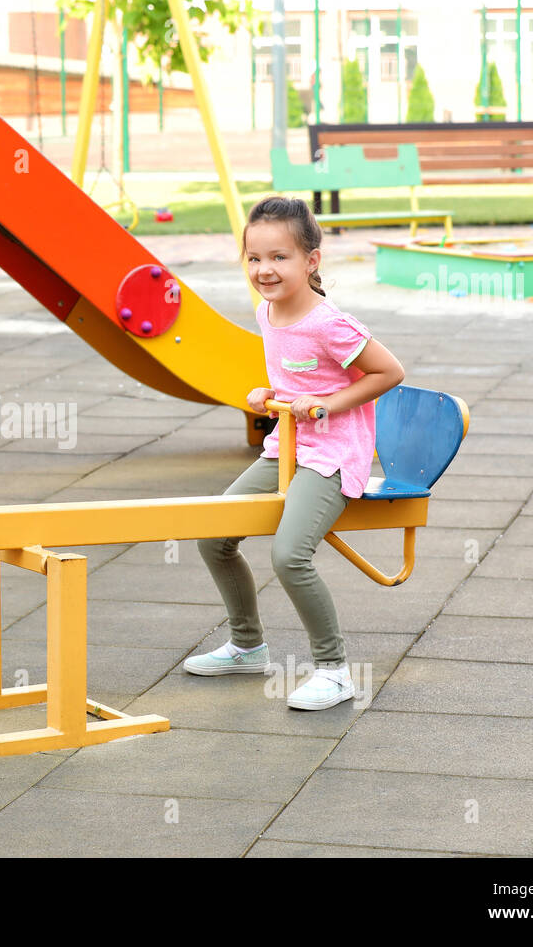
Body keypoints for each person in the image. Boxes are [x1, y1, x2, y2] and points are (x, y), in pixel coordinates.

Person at [186, 195, 404, 710]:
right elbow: (297, 378)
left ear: (312, 260)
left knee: (289, 555)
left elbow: (389, 372)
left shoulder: (330, 323)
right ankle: (246, 647)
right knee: (213, 537)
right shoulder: (267, 311)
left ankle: (333, 670)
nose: (265, 270)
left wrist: (327, 404)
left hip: (332, 454)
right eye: (255, 258)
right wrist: (270, 393)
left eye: (279, 257)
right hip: (286, 445)